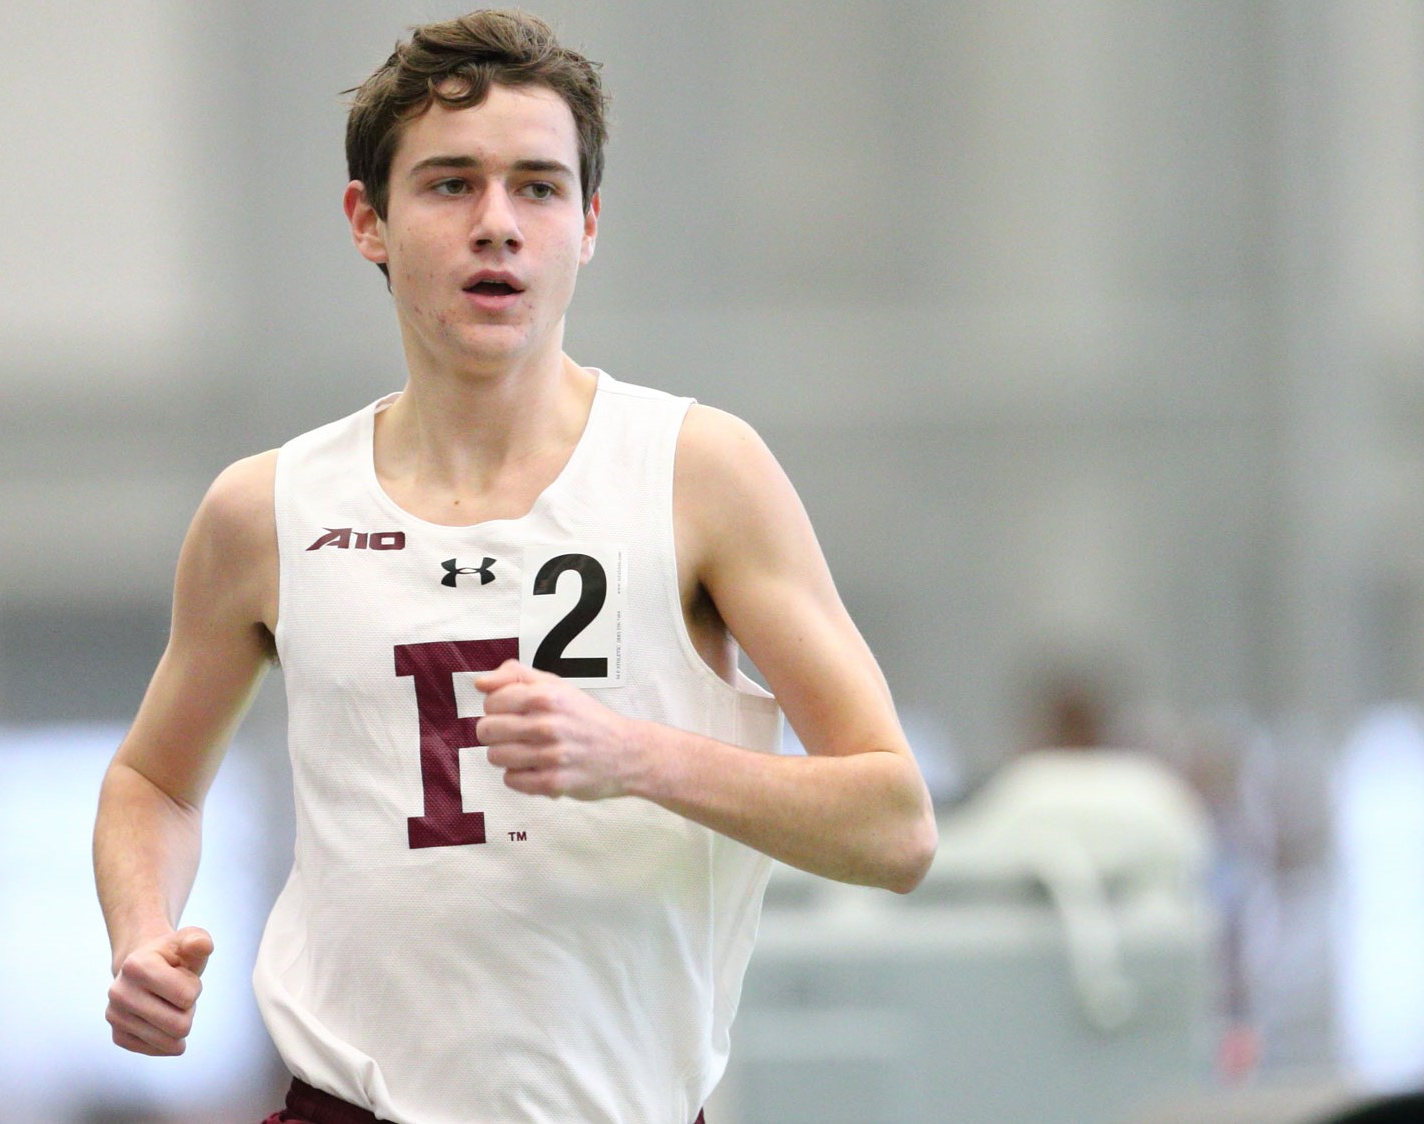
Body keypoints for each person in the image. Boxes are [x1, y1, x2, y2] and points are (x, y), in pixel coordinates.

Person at [91, 10, 936, 1122]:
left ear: (587, 224)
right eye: (450, 185)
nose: (498, 225)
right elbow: (152, 780)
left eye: (536, 188)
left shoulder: (696, 470)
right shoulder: (268, 508)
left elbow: (892, 822)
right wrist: (143, 929)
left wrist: (630, 751)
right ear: (368, 220)